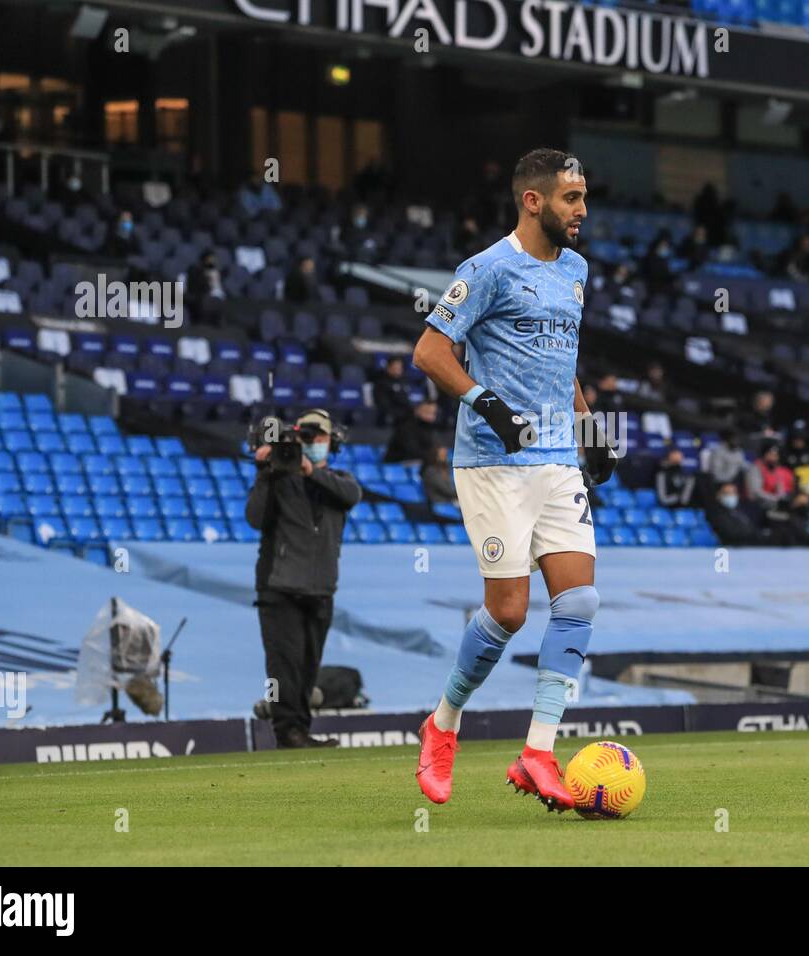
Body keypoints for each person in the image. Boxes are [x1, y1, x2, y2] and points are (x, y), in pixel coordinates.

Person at [409, 148, 614, 811]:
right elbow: (430, 352)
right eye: (571, 198)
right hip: (494, 464)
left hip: (556, 460)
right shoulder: (488, 269)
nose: (582, 210)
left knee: (579, 603)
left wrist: (589, 430)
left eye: (583, 197)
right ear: (534, 201)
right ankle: (442, 726)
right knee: (509, 611)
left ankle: (538, 752)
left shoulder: (576, 271)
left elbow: (564, 362)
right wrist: (487, 406)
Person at [245, 409, 362, 748]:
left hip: (321, 589)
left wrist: (311, 472)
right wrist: (264, 472)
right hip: (278, 588)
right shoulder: (278, 478)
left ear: (331, 442)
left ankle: (300, 729)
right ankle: (287, 731)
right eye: (306, 439)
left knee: (309, 665)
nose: (311, 445)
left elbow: (351, 496)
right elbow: (255, 518)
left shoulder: (339, 482)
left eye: (318, 438)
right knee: (284, 665)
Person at [383, 399, 441, 464]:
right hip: (400, 463)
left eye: (433, 413)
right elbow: (412, 450)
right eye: (427, 412)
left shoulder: (430, 428)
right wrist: (433, 455)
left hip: (419, 461)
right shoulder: (406, 427)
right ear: (417, 410)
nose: (431, 416)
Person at [744, 440, 795, 513]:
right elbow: (756, 492)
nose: (772, 458)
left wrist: (780, 498)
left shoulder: (777, 470)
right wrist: (775, 498)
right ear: (764, 455)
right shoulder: (755, 468)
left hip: (770, 505)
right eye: (770, 454)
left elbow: (780, 489)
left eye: (775, 456)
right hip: (754, 505)